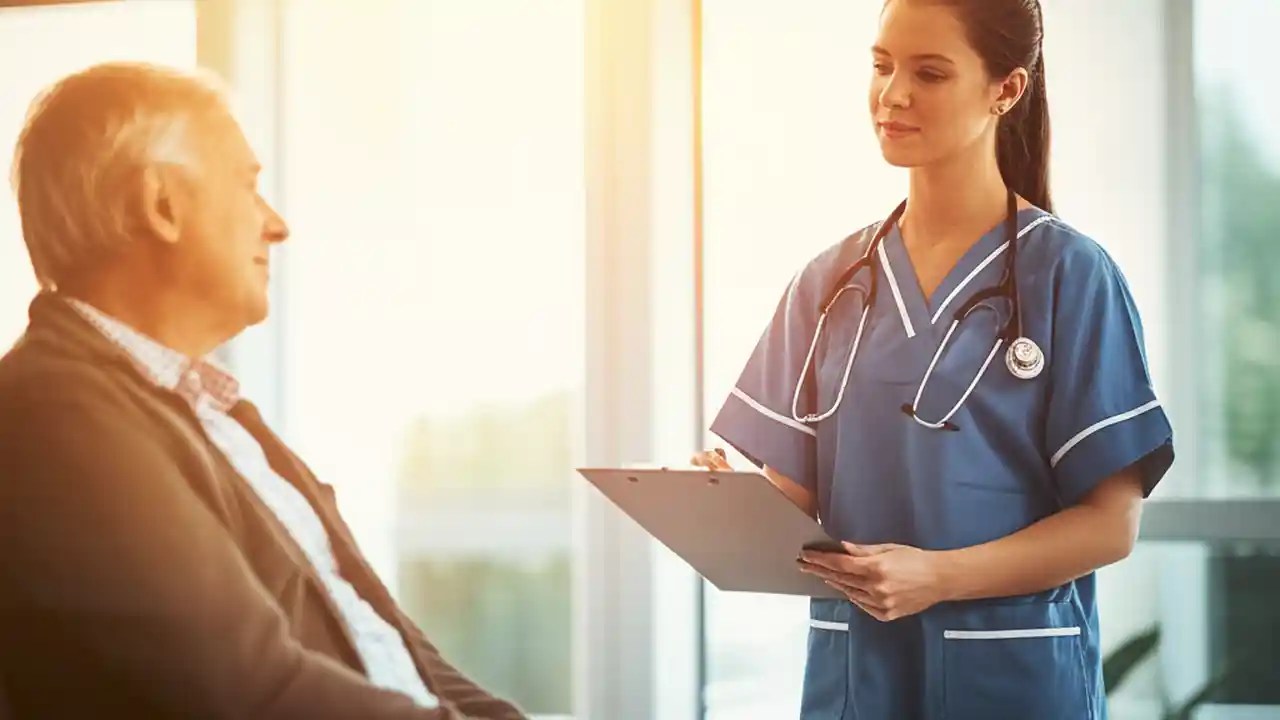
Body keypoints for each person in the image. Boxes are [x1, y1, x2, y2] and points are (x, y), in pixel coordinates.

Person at [0, 62, 525, 719]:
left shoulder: (212, 414)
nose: (276, 225)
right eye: (248, 187)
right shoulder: (55, 415)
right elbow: (252, 692)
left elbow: (392, 646)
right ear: (161, 206)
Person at [693, 1, 1174, 718]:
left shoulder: (1070, 275)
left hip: (1011, 678)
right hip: (856, 679)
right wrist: (724, 507)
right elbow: (792, 502)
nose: (892, 95)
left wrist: (938, 577)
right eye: (882, 65)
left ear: (1004, 90)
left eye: (930, 72)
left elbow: (1111, 523)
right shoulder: (828, 284)